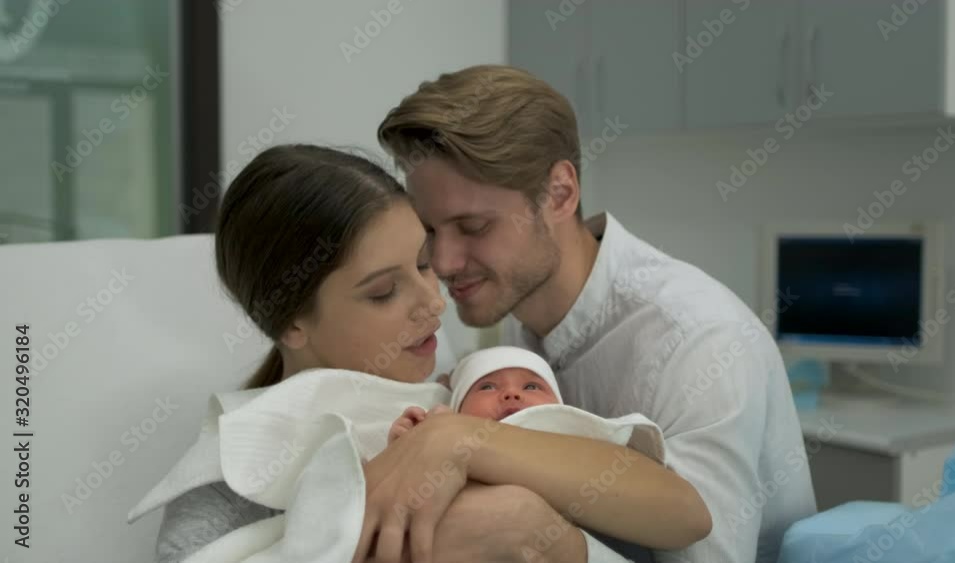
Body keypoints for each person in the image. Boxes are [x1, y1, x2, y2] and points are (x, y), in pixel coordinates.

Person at [151, 144, 709, 563]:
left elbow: (685, 515)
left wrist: (467, 447)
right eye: (383, 292)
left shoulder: (473, 400)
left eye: (422, 263)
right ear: (291, 321)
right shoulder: (239, 482)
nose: (433, 302)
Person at [376, 64, 817, 562]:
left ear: (559, 194)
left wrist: (529, 528)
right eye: (430, 232)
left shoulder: (698, 341)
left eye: (473, 226)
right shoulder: (521, 325)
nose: (442, 263)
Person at [388, 346, 564, 441]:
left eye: (531, 387)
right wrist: (406, 448)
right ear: (458, 410)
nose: (511, 394)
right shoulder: (451, 450)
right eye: (488, 387)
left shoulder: (576, 445)